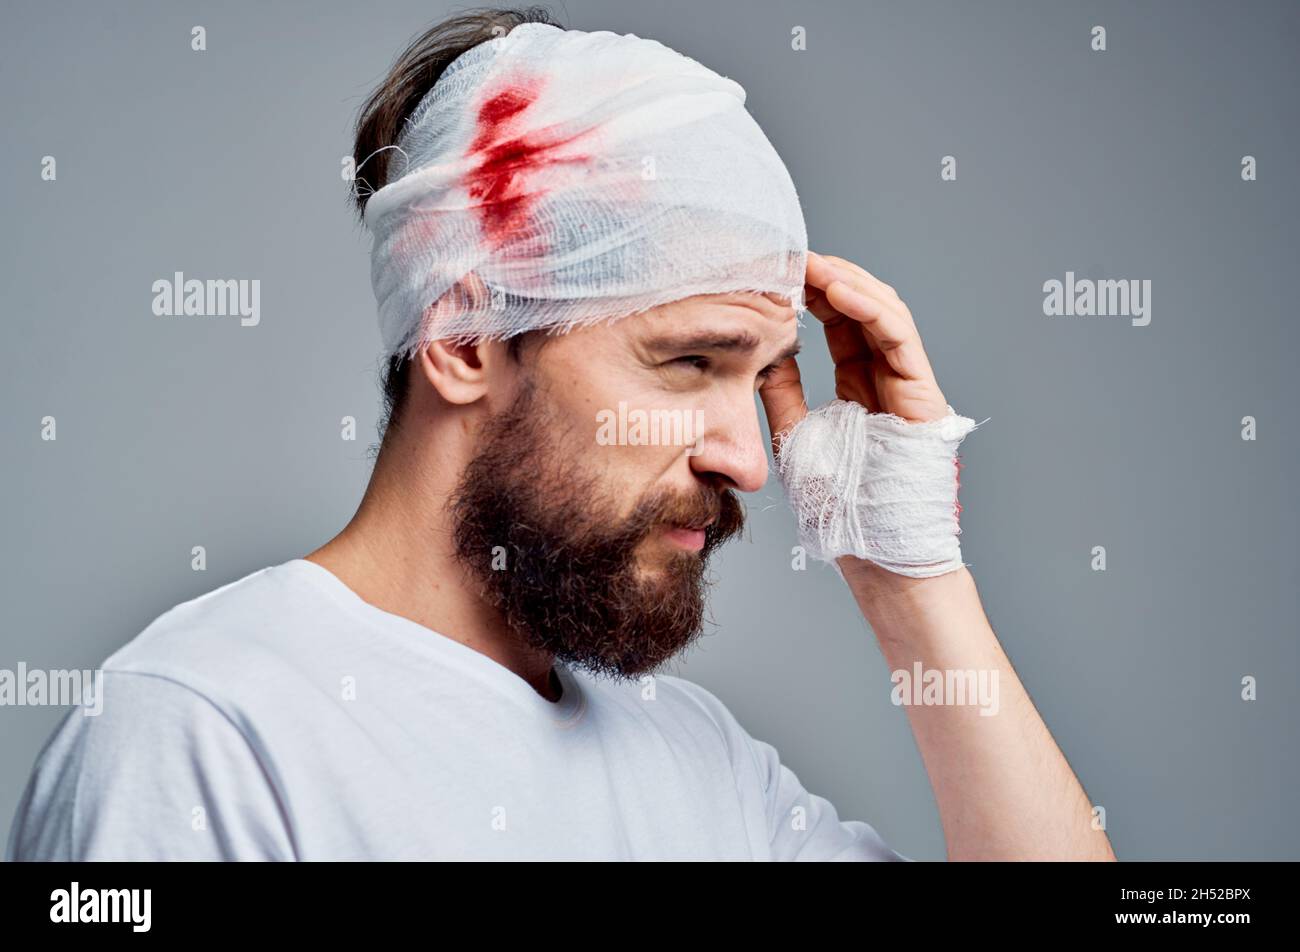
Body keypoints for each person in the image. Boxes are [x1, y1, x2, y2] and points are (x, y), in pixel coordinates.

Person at [6, 8, 1115, 861]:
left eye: (762, 376)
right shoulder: (200, 735)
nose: (751, 458)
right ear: (468, 337)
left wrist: (906, 568)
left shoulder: (704, 765)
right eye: (690, 362)